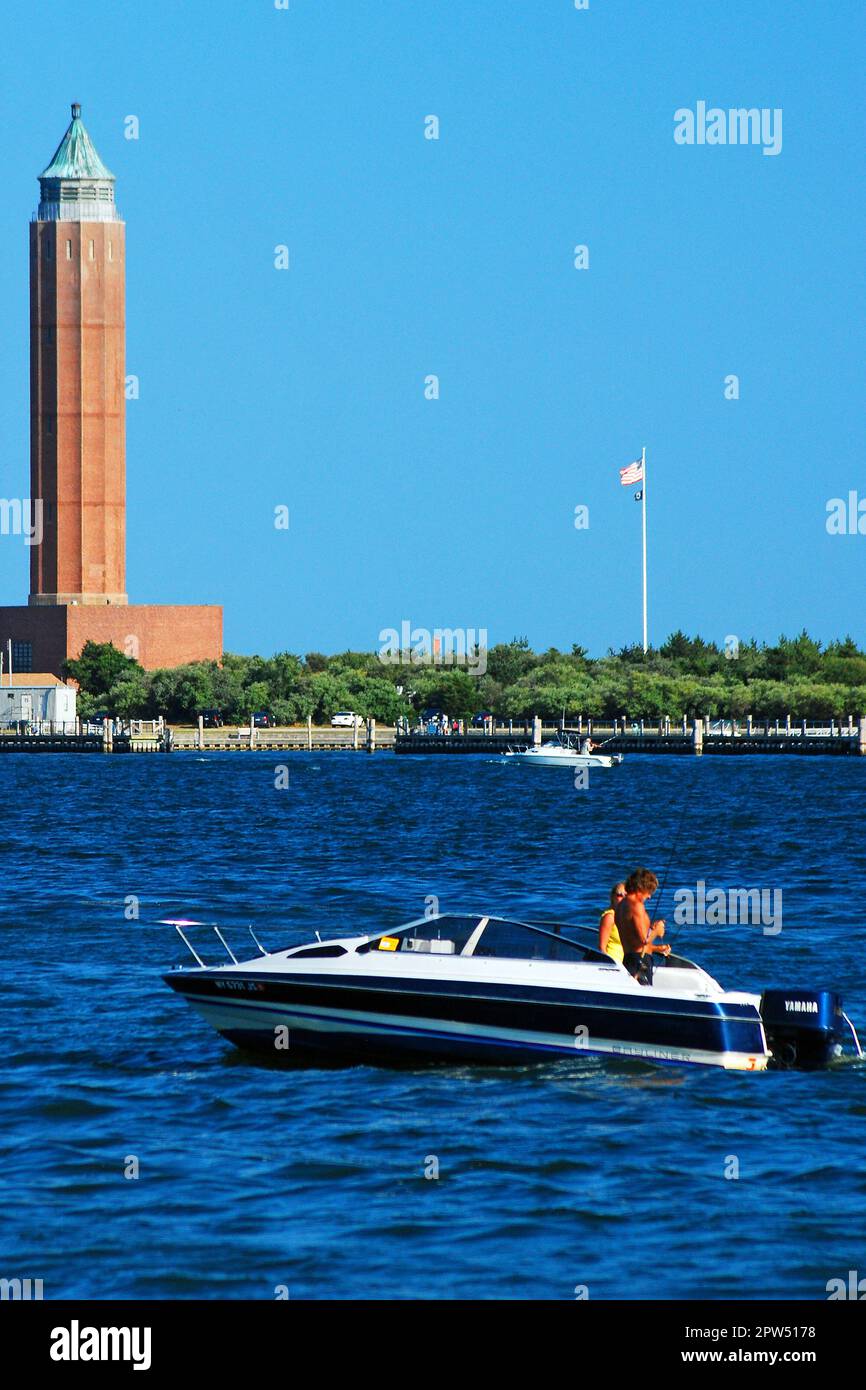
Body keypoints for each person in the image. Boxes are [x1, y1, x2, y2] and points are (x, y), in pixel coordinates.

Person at [614, 867, 671, 985]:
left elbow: (634, 938)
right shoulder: (636, 905)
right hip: (640, 962)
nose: (649, 897)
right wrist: (658, 930)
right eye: (649, 892)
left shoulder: (620, 906)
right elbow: (644, 940)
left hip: (628, 959)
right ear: (641, 887)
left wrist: (651, 928)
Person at [599, 883, 626, 963]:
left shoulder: (624, 916)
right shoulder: (610, 917)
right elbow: (602, 947)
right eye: (620, 895)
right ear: (613, 897)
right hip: (613, 962)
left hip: (624, 963)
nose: (623, 898)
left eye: (626, 895)